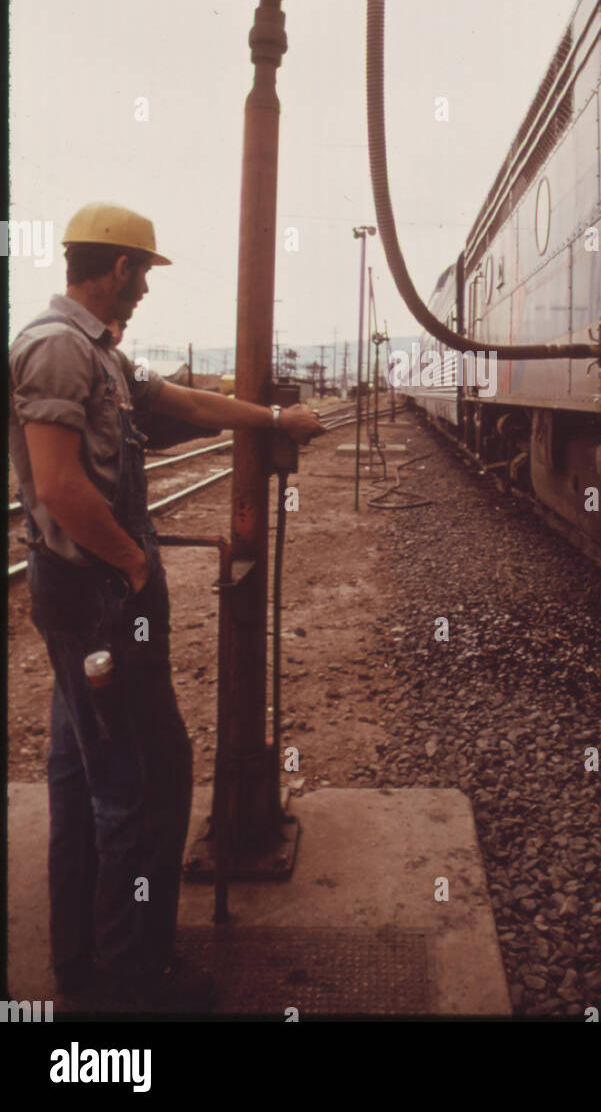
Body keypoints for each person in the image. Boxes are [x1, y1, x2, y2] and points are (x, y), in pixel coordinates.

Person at [9, 203, 325, 1012]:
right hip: (97, 601)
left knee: (82, 778)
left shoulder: (100, 356)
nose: (146, 287)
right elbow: (57, 485)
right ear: (117, 269)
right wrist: (133, 566)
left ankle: (80, 966)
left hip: (90, 602)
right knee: (138, 783)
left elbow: (183, 404)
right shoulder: (57, 350)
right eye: (144, 272)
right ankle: (128, 979)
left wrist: (272, 418)